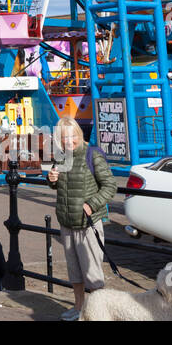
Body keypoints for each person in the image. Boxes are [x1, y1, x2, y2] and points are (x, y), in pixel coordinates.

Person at [47, 116, 115, 321]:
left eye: (73, 136)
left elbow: (110, 186)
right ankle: (79, 307)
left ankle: (98, 313)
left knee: (93, 273)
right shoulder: (60, 157)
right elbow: (60, 185)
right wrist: (51, 181)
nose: (69, 141)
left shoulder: (92, 154)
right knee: (74, 271)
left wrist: (91, 204)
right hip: (67, 222)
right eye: (64, 137)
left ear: (79, 133)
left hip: (88, 224)